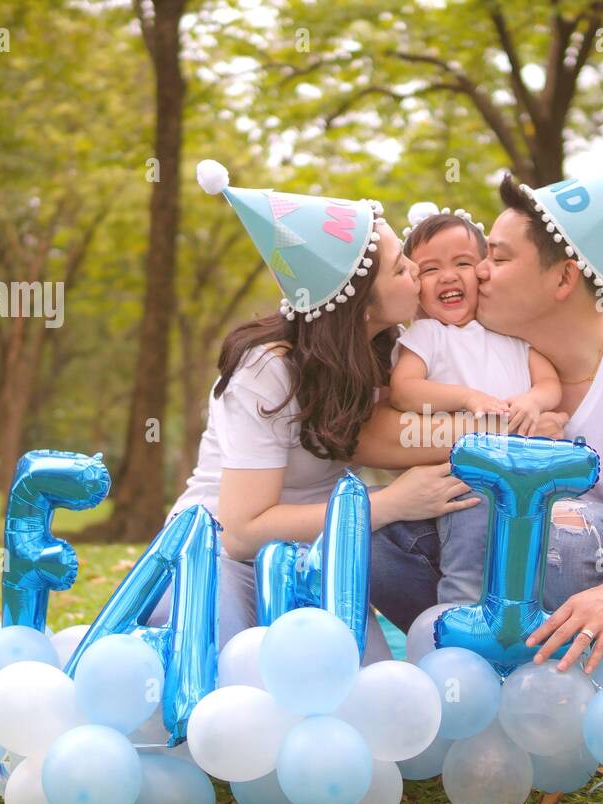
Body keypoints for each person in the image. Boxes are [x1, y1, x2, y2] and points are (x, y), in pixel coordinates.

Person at [371, 123, 603, 675]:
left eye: (496, 258)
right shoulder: (480, 347)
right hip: (499, 561)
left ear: (564, 279)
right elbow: (371, 434)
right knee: (380, 542)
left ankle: (537, 663)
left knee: (553, 531)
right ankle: (474, 659)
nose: (478, 273)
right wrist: (495, 433)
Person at [150, 161, 479, 658]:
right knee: (235, 676)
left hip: (322, 549)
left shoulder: (386, 353)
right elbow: (245, 531)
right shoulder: (267, 371)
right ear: (363, 307)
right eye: (400, 268)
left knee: (362, 689)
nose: (415, 268)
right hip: (216, 554)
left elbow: (411, 431)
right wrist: (387, 505)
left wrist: (510, 420)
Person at [388, 202, 562, 604]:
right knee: (468, 566)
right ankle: (459, 619)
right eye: (429, 269)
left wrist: (533, 401)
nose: (447, 276)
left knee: (527, 564)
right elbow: (404, 389)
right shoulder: (428, 335)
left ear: (483, 270)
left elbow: (549, 382)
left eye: (462, 263)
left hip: (527, 478)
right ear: (415, 285)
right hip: (465, 481)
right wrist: (465, 397)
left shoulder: (509, 332)